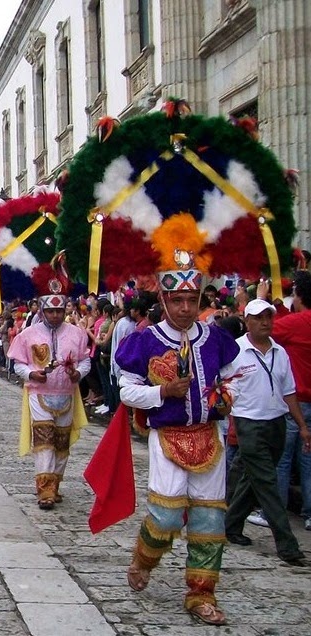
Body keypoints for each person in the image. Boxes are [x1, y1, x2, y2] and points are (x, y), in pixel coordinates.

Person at [116, 251, 239, 626]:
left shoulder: (215, 338)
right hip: (167, 437)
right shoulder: (145, 341)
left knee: (209, 518)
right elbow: (126, 390)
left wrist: (226, 398)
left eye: (192, 300)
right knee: (167, 514)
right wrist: (163, 392)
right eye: (178, 300)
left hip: (209, 437)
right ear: (164, 299)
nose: (185, 308)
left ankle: (201, 593)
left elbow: (235, 377)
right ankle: (144, 559)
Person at [224, 299, 309, 565]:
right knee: (267, 483)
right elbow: (225, 388)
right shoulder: (236, 351)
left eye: (268, 317)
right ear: (247, 321)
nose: (265, 323)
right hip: (249, 423)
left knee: (253, 477)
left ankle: (230, 524)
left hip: (276, 423)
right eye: (258, 318)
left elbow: (289, 392)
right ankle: (287, 545)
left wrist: (303, 427)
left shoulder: (280, 352)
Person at [8, 276, 90, 510]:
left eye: (59, 311)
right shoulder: (28, 334)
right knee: (44, 441)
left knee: (61, 443)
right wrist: (32, 374)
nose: (55, 315)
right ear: (42, 311)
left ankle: (55, 485)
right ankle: (45, 489)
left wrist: (78, 374)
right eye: (51, 311)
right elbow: (19, 364)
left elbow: (85, 361)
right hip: (39, 394)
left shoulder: (77, 333)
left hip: (67, 394)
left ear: (65, 310)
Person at [256, 273, 311, 532]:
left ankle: (273, 512)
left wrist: (262, 301)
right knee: (308, 461)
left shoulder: (295, 323)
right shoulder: (296, 321)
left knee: (282, 458)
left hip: (295, 401)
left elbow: (263, 331)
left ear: (299, 296)